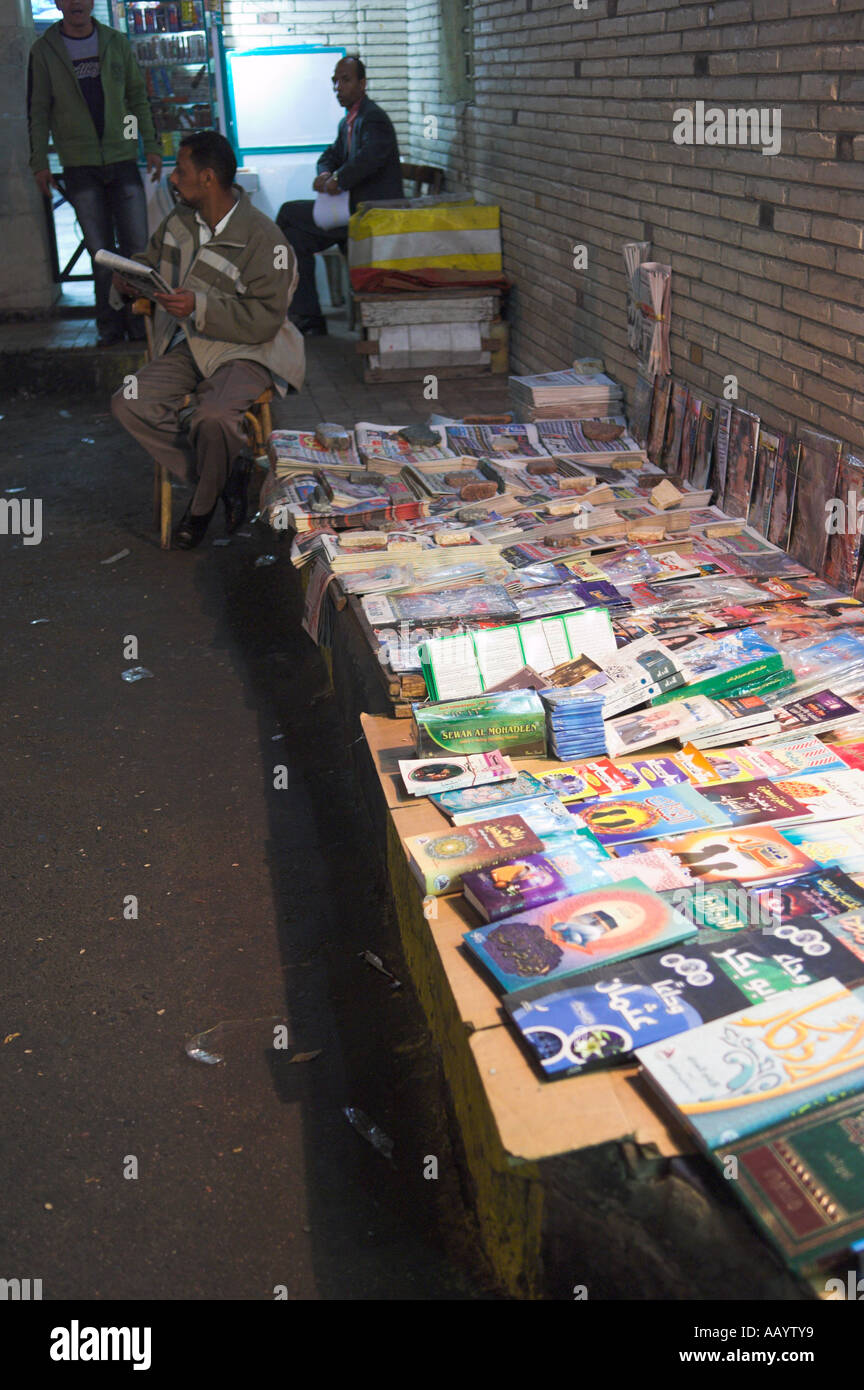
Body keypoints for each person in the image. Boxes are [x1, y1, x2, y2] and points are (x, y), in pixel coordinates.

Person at [110, 131, 305, 550]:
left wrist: (198, 306)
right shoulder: (179, 222)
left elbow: (265, 321)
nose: (174, 180)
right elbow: (148, 260)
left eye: (181, 171)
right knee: (129, 402)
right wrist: (130, 278)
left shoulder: (263, 238)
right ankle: (223, 474)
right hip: (192, 345)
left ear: (208, 178)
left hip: (247, 349)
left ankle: (199, 508)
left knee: (212, 417)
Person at [27, 0, 162, 346]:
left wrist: (142, 143)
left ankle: (138, 322)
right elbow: (39, 110)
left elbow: (135, 99)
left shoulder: (116, 42)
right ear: (57, 3)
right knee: (101, 252)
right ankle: (110, 327)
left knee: (135, 247)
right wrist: (39, 161)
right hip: (79, 164)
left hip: (123, 160)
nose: (76, 4)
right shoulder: (44, 51)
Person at [276, 55, 403, 336]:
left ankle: (280, 298)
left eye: (345, 80)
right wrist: (325, 174)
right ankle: (309, 318)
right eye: (335, 81)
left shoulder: (373, 119)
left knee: (287, 213)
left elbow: (370, 159)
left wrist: (339, 179)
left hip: (369, 215)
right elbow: (329, 156)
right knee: (294, 241)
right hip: (347, 212)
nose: (338, 87)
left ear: (362, 83)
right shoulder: (348, 121)